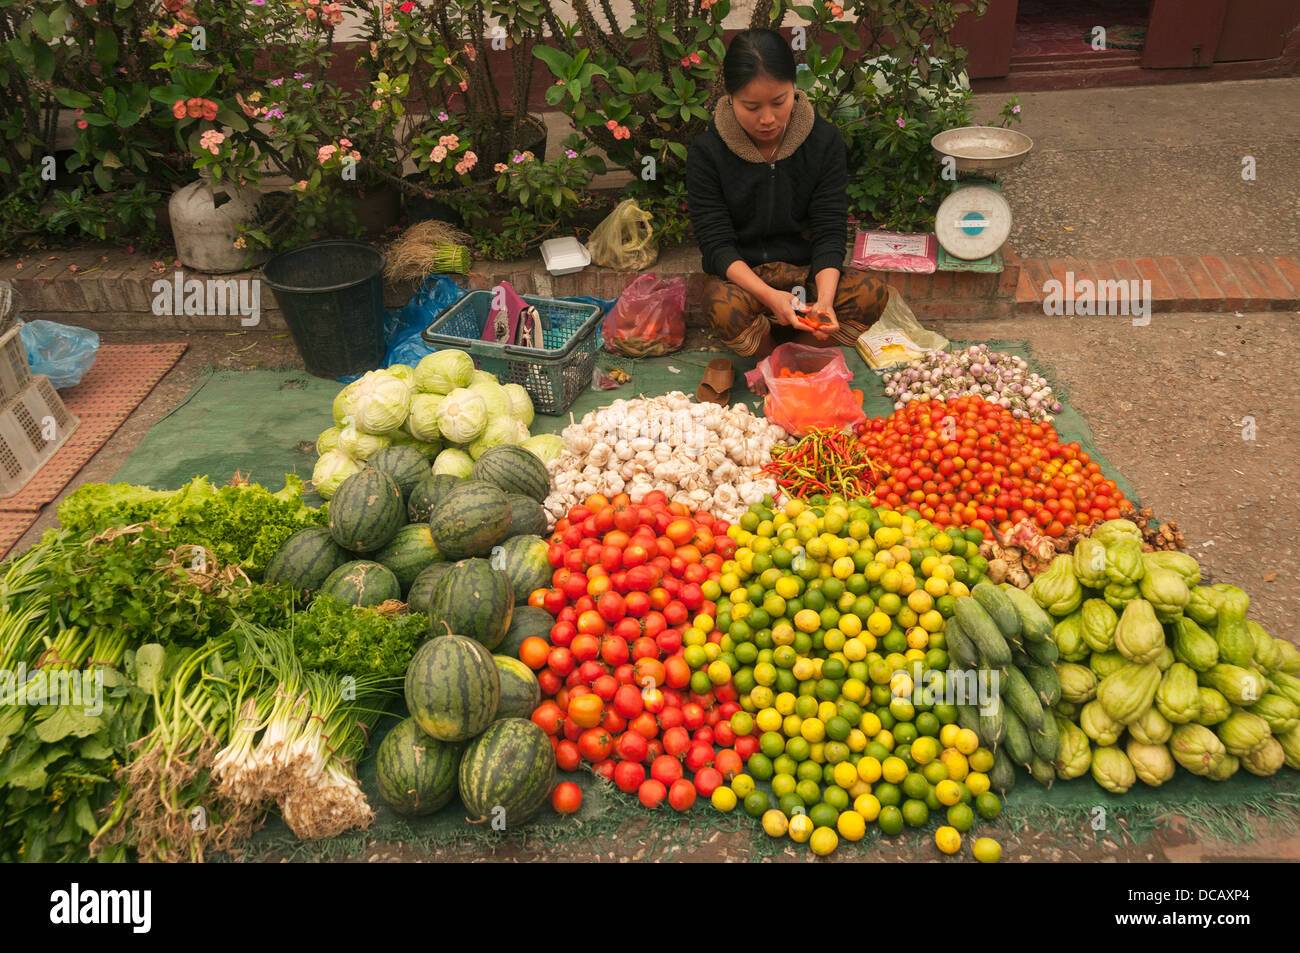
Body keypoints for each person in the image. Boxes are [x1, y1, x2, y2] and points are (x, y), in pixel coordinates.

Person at [686, 28, 889, 359]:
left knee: (871, 294)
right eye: (751, 106)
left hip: (805, 276)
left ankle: (798, 355)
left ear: (795, 89)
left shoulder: (823, 142)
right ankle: (767, 355)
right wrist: (769, 296)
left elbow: (829, 231)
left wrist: (823, 302)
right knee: (722, 307)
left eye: (779, 102)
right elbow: (716, 247)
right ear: (729, 97)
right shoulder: (708, 152)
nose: (768, 119)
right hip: (746, 281)